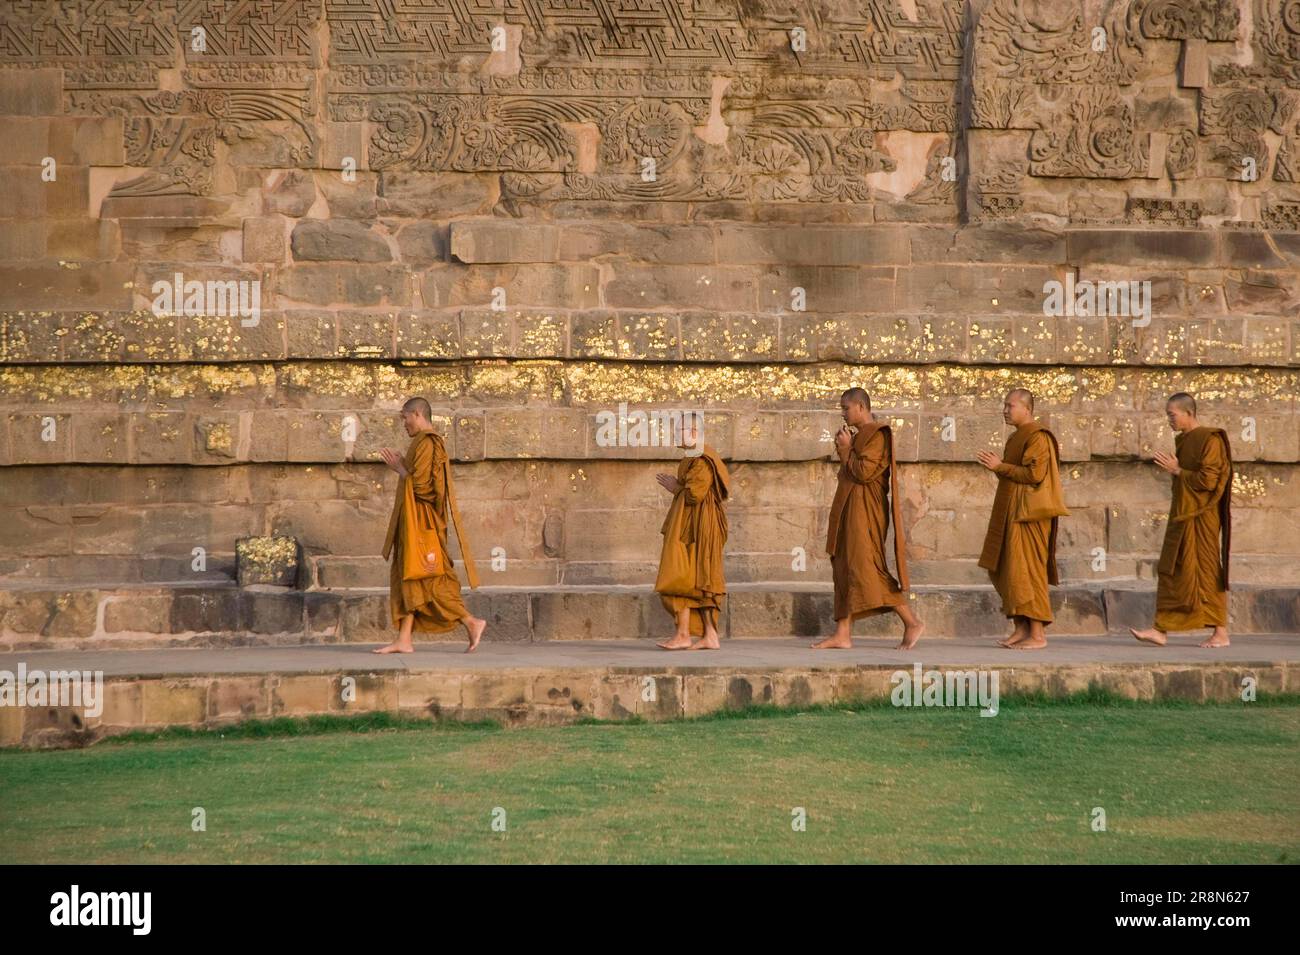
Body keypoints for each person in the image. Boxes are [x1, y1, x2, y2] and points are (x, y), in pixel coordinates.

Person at [813, 388, 924, 650]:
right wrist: (847, 448)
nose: (843, 413)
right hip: (848, 510)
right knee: (843, 565)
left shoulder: (877, 434)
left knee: (867, 568)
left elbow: (863, 473)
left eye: (846, 408)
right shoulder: (857, 436)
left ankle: (911, 621)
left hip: (865, 512)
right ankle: (842, 633)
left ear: (861, 407)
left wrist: (846, 450)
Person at [375, 397, 486, 654]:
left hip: (422, 523)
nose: (403, 424)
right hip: (412, 521)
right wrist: (404, 466)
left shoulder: (428, 442)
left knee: (430, 578)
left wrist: (400, 470)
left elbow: (424, 488)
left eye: (405, 418)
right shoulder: (419, 443)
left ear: (417, 413)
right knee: (410, 576)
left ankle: (471, 621)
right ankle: (404, 639)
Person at [1131, 393, 1232, 648]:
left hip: (1201, 517)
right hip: (1183, 514)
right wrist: (1177, 472)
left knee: (1207, 571)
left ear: (1188, 413)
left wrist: (1177, 470)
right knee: (1173, 569)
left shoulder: (1210, 439)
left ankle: (1220, 632)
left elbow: (1208, 481)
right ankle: (1160, 629)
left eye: (1172, 415)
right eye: (1167, 415)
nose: (1169, 420)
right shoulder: (1185, 440)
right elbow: (1187, 478)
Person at [976, 388, 1068, 650]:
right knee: (1005, 569)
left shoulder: (1038, 437)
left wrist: (999, 466)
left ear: (1027, 408)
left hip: (1028, 516)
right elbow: (1012, 473)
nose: (1005, 410)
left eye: (1010, 405)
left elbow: (1035, 475)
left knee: (1028, 572)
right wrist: (999, 468)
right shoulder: (1016, 437)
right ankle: (1020, 627)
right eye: (1004, 405)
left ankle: (1038, 634)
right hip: (1010, 511)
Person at [654, 413, 731, 650]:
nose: (675, 435)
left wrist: (675, 487)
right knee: (697, 578)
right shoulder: (691, 458)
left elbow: (694, 494)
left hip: (700, 526)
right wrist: (677, 488)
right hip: (692, 522)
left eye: (680, 430)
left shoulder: (702, 459)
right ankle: (706, 635)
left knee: (685, 575)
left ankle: (687, 634)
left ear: (694, 432)